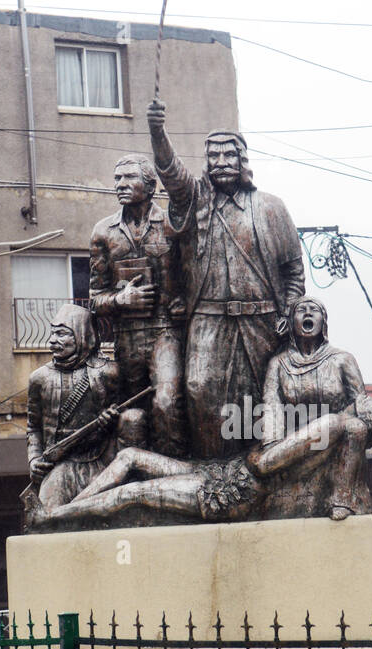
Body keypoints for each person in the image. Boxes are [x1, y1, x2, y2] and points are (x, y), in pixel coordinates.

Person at [147, 97, 305, 459]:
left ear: (242, 160)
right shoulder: (196, 200)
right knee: (201, 389)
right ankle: (211, 467)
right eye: (213, 157)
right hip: (208, 318)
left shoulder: (270, 207)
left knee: (256, 399)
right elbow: (171, 173)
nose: (220, 163)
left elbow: (293, 271)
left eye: (228, 156)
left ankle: (258, 469)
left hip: (262, 319)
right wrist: (158, 132)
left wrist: (290, 313)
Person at [39, 393, 372, 528]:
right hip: (231, 473)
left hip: (234, 489)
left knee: (133, 492)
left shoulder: (333, 423)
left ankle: (55, 516)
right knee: (131, 457)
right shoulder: (341, 432)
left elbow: (267, 463)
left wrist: (264, 446)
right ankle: (69, 510)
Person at [89, 153, 188, 456]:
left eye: (129, 177)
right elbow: (94, 298)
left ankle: (171, 471)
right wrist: (119, 300)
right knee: (133, 413)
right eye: (117, 178)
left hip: (165, 331)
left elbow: (195, 276)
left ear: (150, 184)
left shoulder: (172, 224)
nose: (120, 184)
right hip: (126, 335)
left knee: (167, 401)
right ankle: (137, 476)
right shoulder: (103, 232)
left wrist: (185, 302)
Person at [24, 304, 144, 526]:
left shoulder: (108, 372)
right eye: (52, 333)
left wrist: (111, 421)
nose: (53, 340)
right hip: (62, 464)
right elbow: (33, 428)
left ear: (81, 335)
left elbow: (128, 417)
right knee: (47, 524)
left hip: (102, 460)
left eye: (62, 333)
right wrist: (34, 460)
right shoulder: (39, 378)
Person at [259, 296, 369, 519]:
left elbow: (361, 404)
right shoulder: (278, 364)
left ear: (323, 322)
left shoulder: (342, 360)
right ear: (292, 323)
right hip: (295, 443)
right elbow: (272, 407)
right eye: (301, 310)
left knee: (357, 427)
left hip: (335, 438)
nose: (308, 314)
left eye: (314, 310)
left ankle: (341, 499)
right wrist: (272, 445)